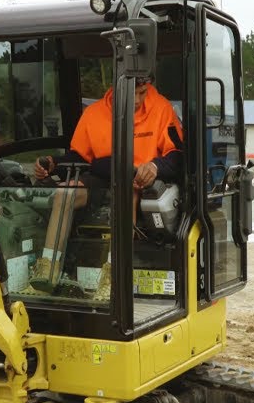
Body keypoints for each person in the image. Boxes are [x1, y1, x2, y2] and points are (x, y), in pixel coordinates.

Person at [30, 75, 184, 295]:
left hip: (139, 180)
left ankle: (113, 276)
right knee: (64, 193)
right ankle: (47, 270)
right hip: (103, 175)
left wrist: (155, 166)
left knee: (126, 191)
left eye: (143, 92)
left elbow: (177, 154)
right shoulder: (93, 115)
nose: (139, 99)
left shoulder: (161, 108)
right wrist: (53, 164)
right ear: (117, 86)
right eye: (134, 93)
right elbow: (80, 157)